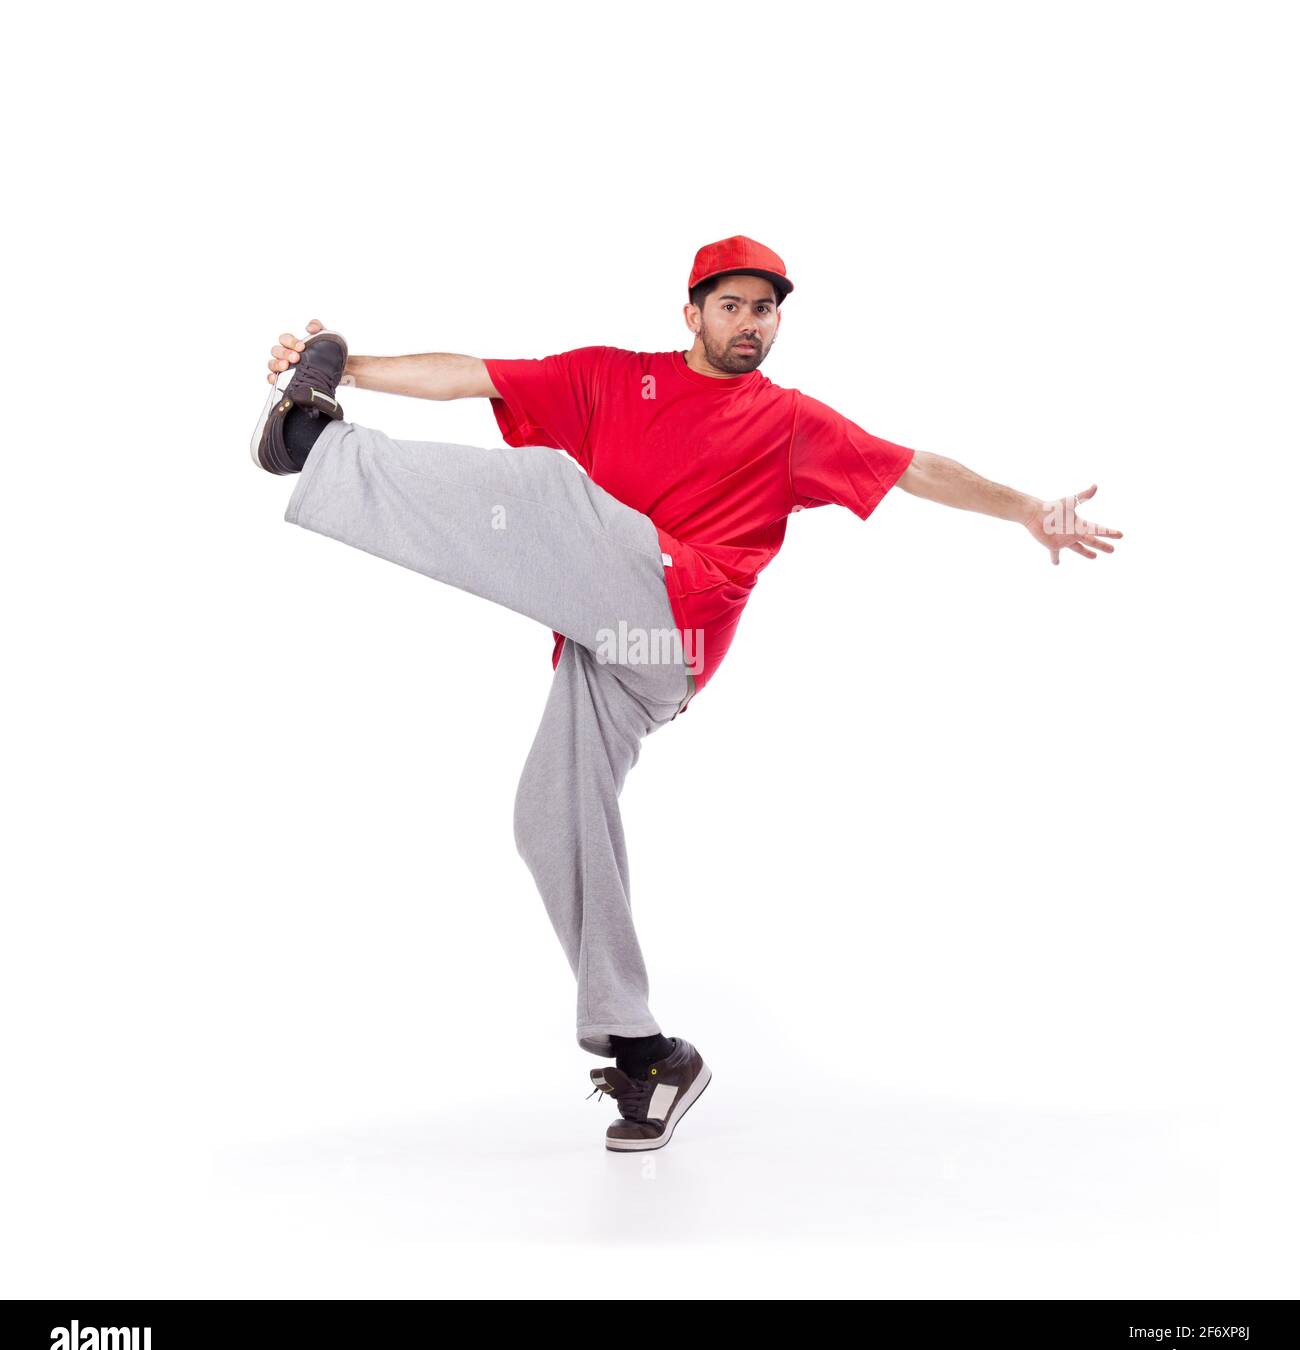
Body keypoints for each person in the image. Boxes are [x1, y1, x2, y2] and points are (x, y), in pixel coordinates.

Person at [250, 235, 1123, 1152]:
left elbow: (913, 469)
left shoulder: (788, 421)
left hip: (676, 616)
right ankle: (648, 1051)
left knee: (550, 488)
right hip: (601, 634)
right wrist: (343, 365)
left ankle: (318, 448)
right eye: (735, 306)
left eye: (767, 309)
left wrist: (1027, 508)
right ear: (693, 312)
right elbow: (474, 376)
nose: (752, 324)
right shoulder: (610, 380)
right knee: (549, 815)